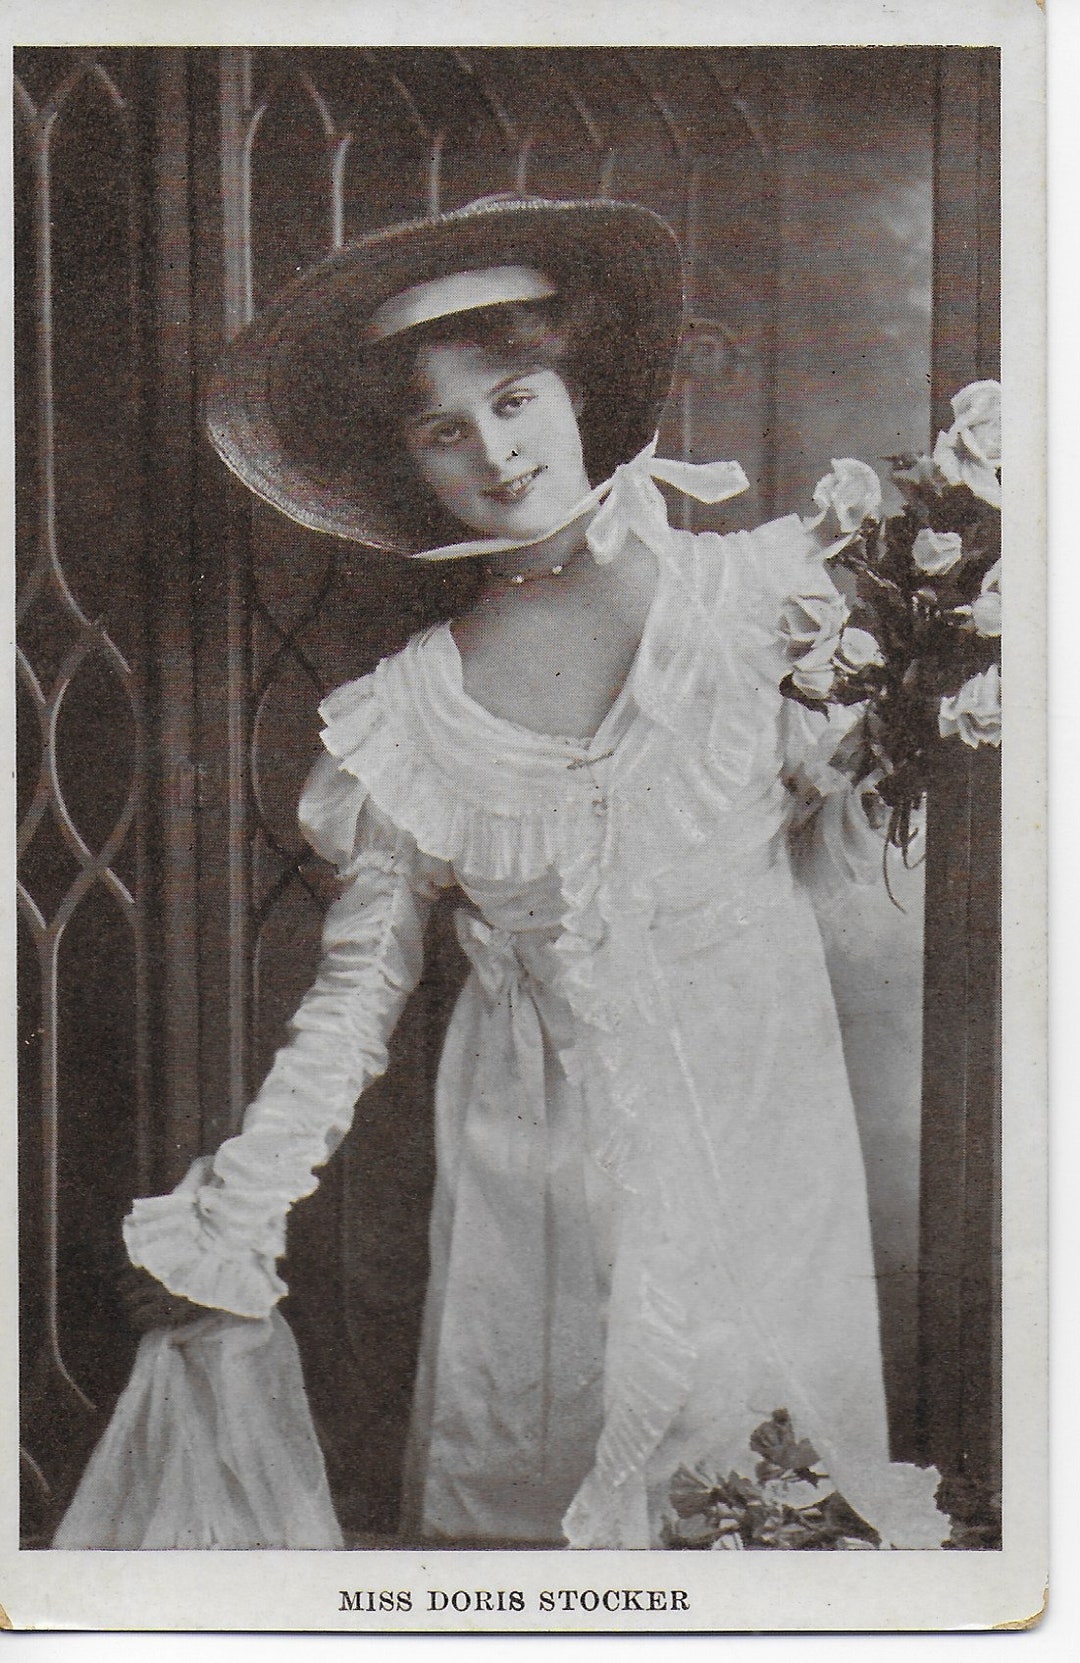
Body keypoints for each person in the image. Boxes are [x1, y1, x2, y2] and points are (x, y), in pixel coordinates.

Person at [91, 195, 947, 1549]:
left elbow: (864, 819)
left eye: (515, 396)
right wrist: (235, 1220)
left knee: (767, 1518)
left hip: (764, 1143)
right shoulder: (409, 716)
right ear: (408, 465)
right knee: (545, 1542)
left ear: (574, 387)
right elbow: (357, 992)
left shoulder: (755, 602)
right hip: (535, 1194)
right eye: (445, 431)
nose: (495, 452)